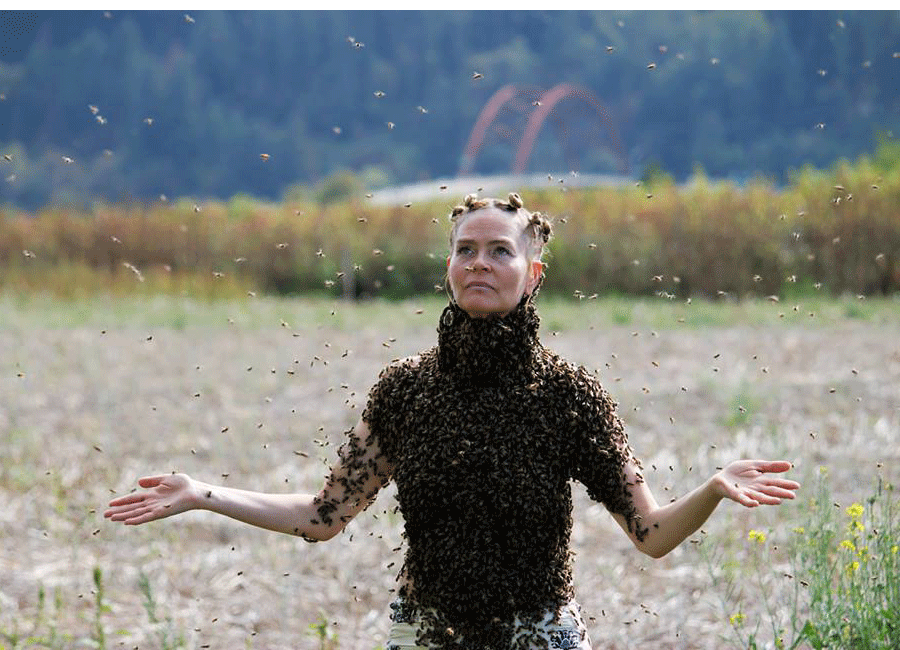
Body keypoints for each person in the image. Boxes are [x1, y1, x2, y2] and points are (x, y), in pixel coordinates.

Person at [105, 193, 800, 650]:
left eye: (500, 250)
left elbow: (648, 536)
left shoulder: (570, 396)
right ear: (448, 268)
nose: (480, 263)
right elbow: (322, 516)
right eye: (466, 249)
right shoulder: (405, 390)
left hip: (539, 636)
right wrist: (203, 494)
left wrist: (710, 488)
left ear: (534, 273)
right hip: (424, 633)